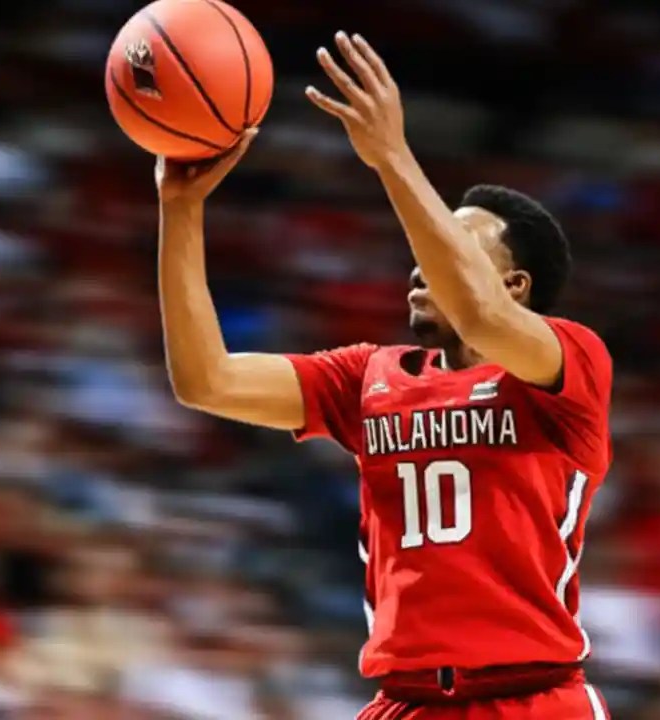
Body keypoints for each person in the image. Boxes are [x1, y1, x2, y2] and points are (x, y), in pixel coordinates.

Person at [154, 31, 613, 720]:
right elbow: (205, 380)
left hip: (531, 700)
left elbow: (483, 319)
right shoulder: (368, 376)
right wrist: (180, 211)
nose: (420, 261)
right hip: (405, 702)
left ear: (516, 284)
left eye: (452, 244)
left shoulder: (570, 362)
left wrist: (392, 156)